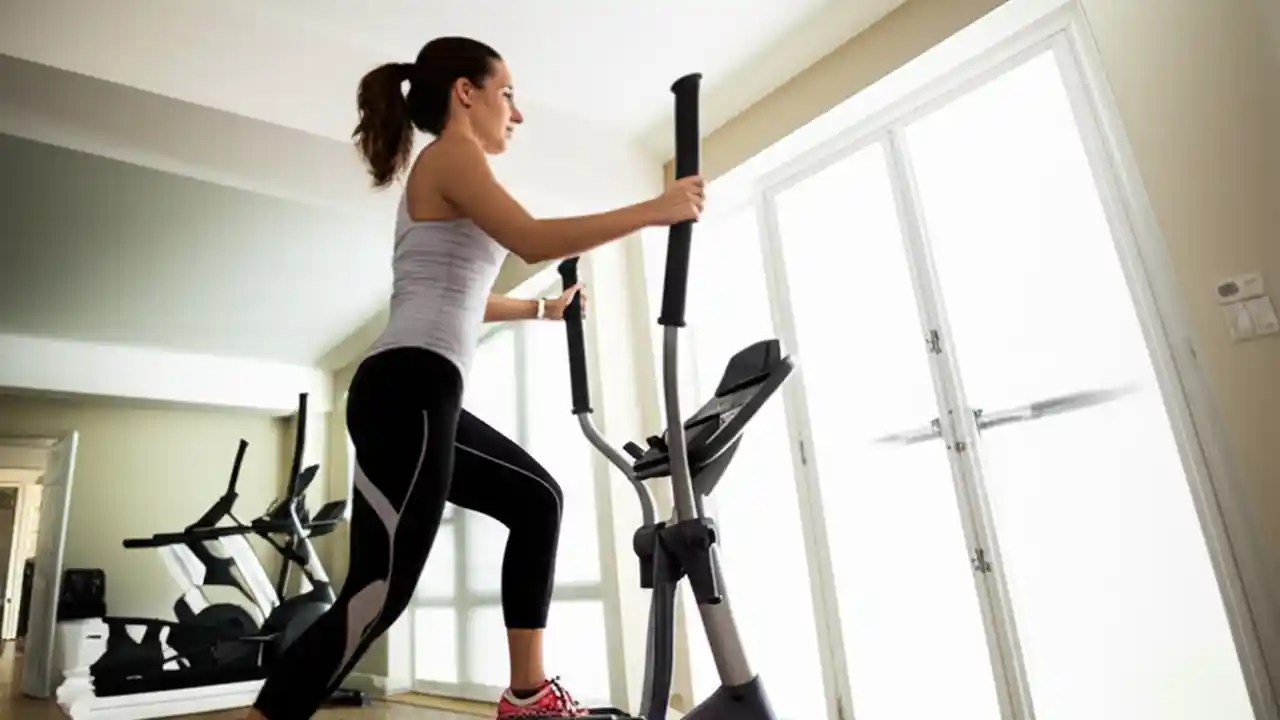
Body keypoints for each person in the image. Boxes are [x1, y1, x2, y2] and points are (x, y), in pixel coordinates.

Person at [245, 36, 704, 720]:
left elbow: (453, 292)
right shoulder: (452, 155)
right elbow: (532, 239)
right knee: (379, 593)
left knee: (536, 500)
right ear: (467, 92)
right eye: (508, 93)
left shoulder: (448, 171)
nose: (516, 115)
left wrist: (540, 309)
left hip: (418, 388)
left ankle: (526, 696)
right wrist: (654, 209)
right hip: (410, 389)